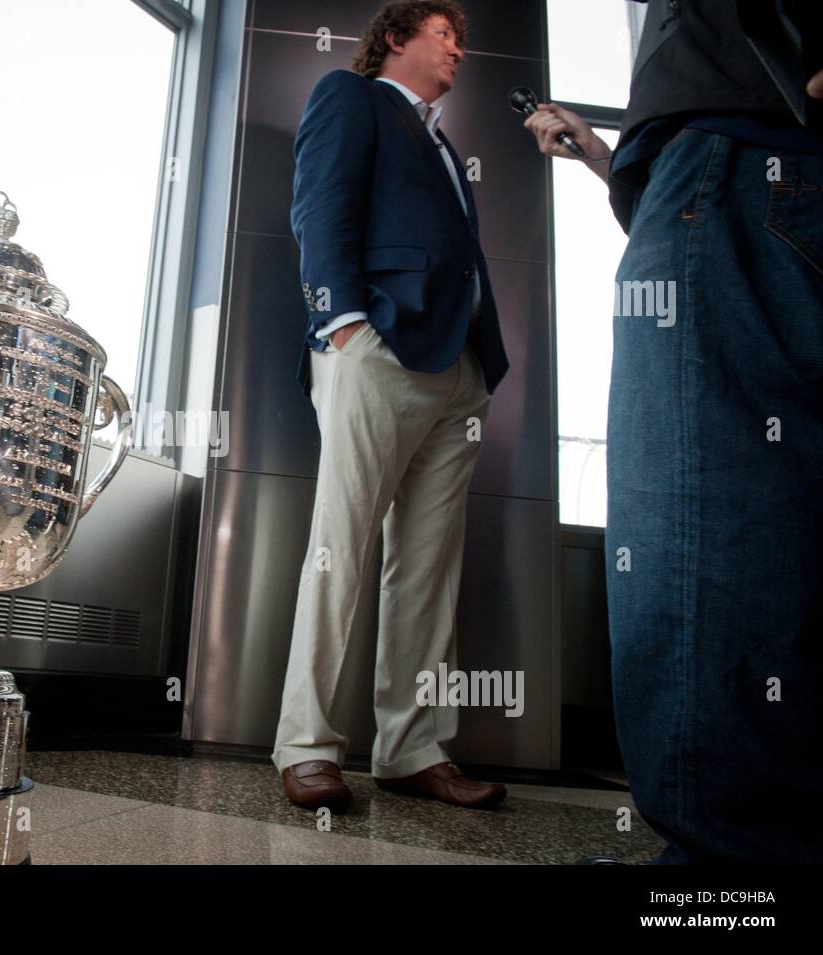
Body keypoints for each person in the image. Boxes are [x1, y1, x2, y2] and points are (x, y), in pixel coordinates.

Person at [523, 0, 823, 863]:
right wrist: (601, 156)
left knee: (702, 537)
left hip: (742, 165)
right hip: (736, 172)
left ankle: (724, 882)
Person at [274, 0, 509, 814]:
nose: (458, 51)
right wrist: (340, 324)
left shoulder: (442, 140)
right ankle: (306, 745)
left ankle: (412, 747)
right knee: (340, 547)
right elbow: (318, 205)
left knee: (429, 568)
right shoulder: (352, 95)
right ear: (397, 39)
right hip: (374, 348)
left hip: (460, 368)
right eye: (446, 34)